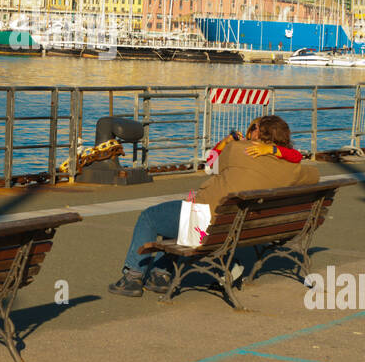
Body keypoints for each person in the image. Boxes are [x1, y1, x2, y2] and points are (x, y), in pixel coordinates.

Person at [108, 115, 318, 297]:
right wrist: (276, 151)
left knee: (151, 217)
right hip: (245, 227)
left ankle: (133, 277)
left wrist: (228, 142)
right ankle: (160, 275)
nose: (248, 130)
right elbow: (312, 174)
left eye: (252, 128)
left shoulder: (238, 149)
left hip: (206, 223)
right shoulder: (294, 168)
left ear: (258, 135)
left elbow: (210, 164)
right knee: (177, 216)